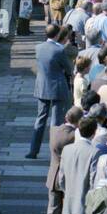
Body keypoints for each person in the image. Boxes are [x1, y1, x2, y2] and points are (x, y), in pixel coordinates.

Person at [27, 24, 75, 160]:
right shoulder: (59, 50)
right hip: (58, 87)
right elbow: (69, 69)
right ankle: (54, 152)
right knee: (56, 121)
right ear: (57, 34)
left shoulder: (38, 48)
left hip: (42, 87)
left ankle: (33, 151)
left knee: (40, 119)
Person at [60, 113, 101, 214]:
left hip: (71, 203)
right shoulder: (94, 152)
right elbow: (93, 181)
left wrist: (69, 194)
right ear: (94, 132)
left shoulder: (67, 150)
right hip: (88, 206)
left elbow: (61, 180)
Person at [43, 107, 81, 214]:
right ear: (78, 122)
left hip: (53, 177)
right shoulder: (73, 137)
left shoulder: (54, 130)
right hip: (67, 179)